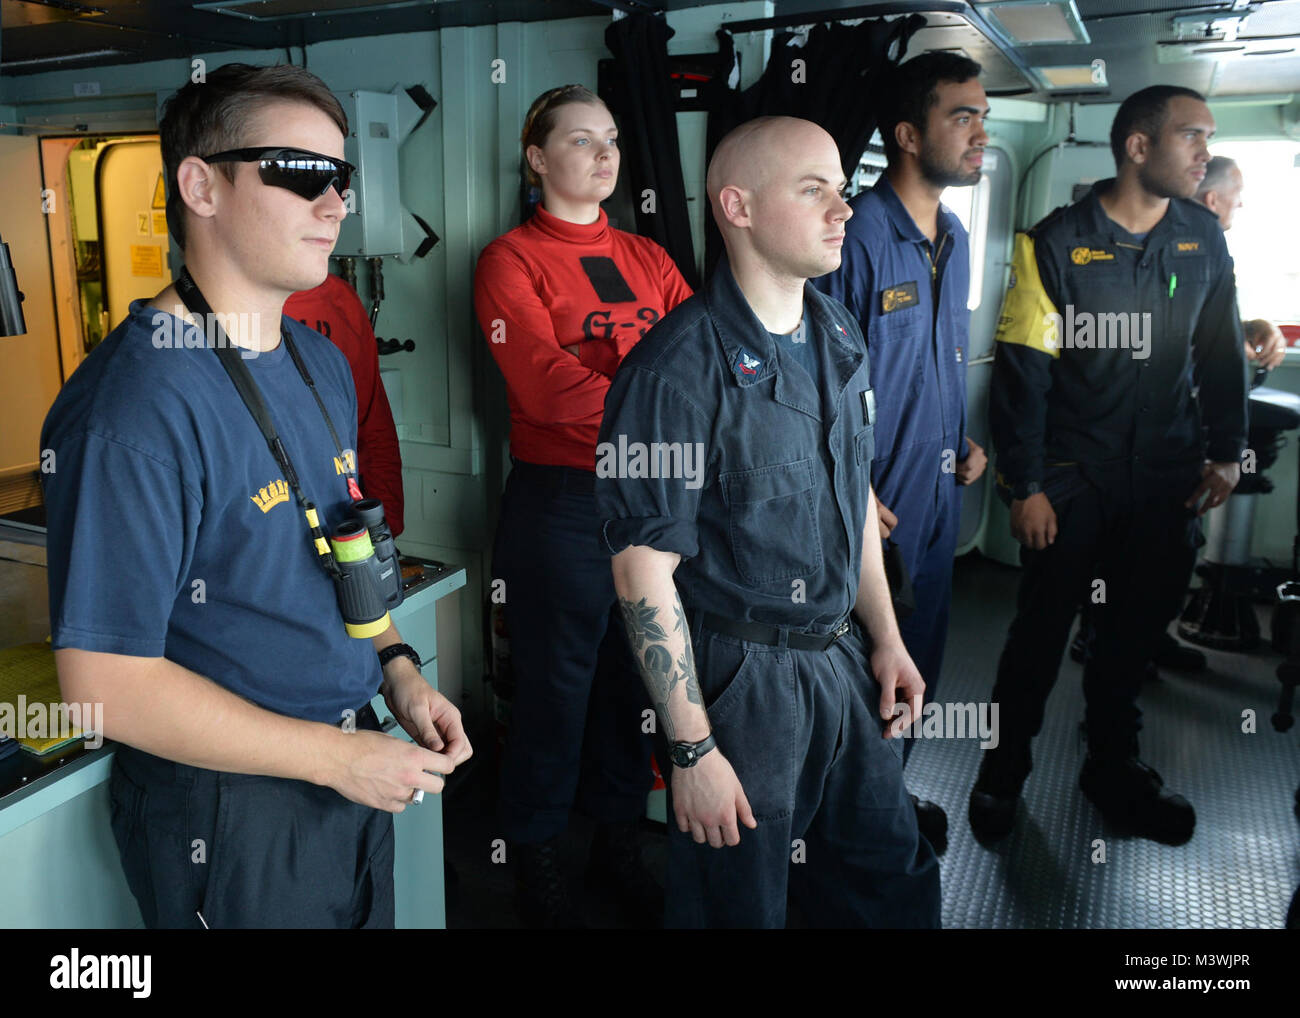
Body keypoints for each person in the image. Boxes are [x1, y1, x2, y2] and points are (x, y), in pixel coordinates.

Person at [41, 63, 470, 929]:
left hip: (346, 761)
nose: (335, 202)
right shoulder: (134, 406)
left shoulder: (315, 361)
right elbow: (106, 686)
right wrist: (333, 758)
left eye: (340, 177)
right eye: (299, 171)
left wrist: (396, 670)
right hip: (229, 815)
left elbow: (341, 543)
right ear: (199, 184)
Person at [596, 116, 941, 928]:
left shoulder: (836, 331)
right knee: (737, 906)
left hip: (841, 662)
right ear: (738, 207)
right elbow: (642, 572)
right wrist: (691, 749)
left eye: (842, 188)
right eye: (813, 189)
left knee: (890, 882)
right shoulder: (676, 372)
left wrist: (885, 637)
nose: (844, 209)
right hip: (741, 682)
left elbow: (852, 497)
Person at [971, 85, 1247, 846]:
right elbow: (1022, 375)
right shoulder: (1055, 243)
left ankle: (1112, 771)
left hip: (1164, 476)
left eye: (1208, 138)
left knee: (1129, 639)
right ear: (1136, 146)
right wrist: (1024, 485)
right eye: (1191, 136)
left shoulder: (1201, 236)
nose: (1203, 153)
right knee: (1038, 637)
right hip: (1074, 476)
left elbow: (1221, 353)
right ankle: (1002, 773)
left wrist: (1226, 448)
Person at [473, 84, 693, 928]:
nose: (604, 155)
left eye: (611, 139)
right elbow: (549, 386)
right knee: (553, 696)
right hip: (561, 502)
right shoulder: (510, 259)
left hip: (646, 498)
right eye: (580, 141)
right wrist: (663, 413)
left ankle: (615, 847)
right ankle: (534, 860)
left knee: (630, 684)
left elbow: (697, 364)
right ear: (537, 158)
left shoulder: (649, 258)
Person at [814, 51, 990, 855]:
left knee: (922, 661)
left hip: (937, 492)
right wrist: (845, 484)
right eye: (964, 116)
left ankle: (887, 804)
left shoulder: (951, 235)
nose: (980, 132)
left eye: (983, 117)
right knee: (862, 676)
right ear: (908, 135)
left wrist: (958, 438)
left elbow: (936, 356)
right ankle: (850, 832)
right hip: (871, 505)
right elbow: (816, 375)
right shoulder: (853, 237)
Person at [286, 272, 405, 535]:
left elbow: (372, 423)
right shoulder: (217, 311)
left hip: (340, 515)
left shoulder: (340, 300)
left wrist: (387, 526)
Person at [1194, 155, 1287, 371]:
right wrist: (1228, 343)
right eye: (1237, 192)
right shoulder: (1182, 259)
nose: (1241, 203)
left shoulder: (1214, 256)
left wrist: (1256, 329)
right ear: (1212, 200)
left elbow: (1209, 322)